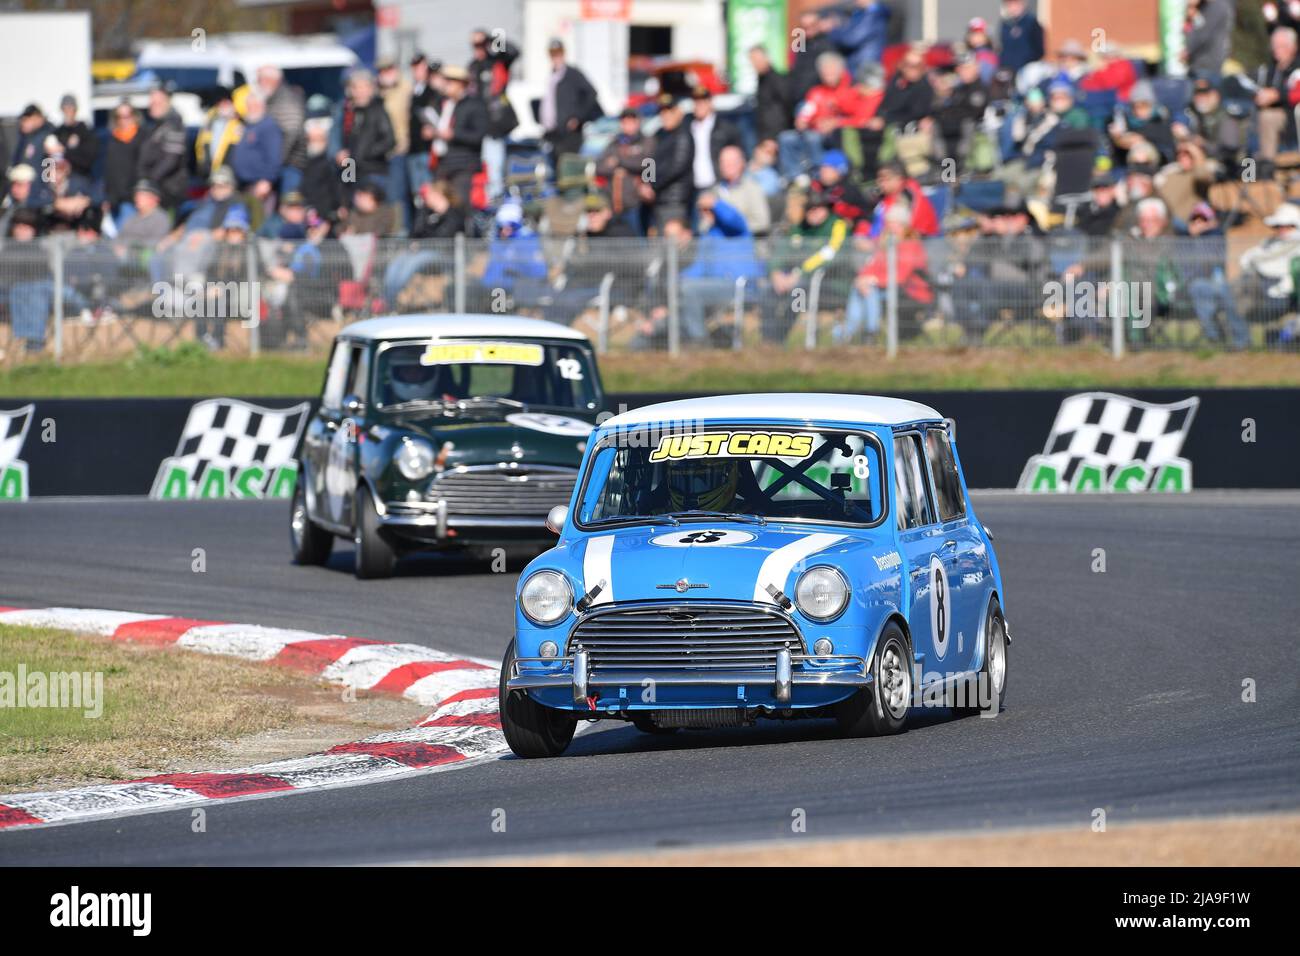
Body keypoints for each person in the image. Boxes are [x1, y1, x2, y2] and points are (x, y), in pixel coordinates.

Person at [837, 202, 932, 343]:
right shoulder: (885, 244)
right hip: (885, 288)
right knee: (860, 288)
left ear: (904, 225)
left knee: (870, 290)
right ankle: (847, 332)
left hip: (909, 291)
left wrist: (872, 280)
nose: (892, 227)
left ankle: (871, 332)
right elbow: (872, 266)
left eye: (896, 223)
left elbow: (901, 276)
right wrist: (862, 279)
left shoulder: (911, 244)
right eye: (890, 223)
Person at [762, 190, 849, 342]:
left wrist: (799, 273)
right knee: (768, 291)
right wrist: (776, 272)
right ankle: (768, 340)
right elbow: (783, 250)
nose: (813, 213)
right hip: (797, 281)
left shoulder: (837, 225)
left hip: (831, 284)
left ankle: (790, 336)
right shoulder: (801, 227)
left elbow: (828, 255)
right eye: (810, 209)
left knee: (798, 294)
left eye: (818, 208)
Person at [382, 180, 466, 306]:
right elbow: (415, 232)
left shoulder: (454, 214)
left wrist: (422, 243)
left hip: (442, 254)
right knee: (397, 262)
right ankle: (387, 297)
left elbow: (441, 238)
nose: (428, 198)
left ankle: (392, 298)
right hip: (421, 250)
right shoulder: (426, 212)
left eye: (431, 194)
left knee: (411, 264)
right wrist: (423, 211)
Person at [1181, 202, 1248, 348]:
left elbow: (1206, 264)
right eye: (1194, 219)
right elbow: (1186, 270)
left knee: (1222, 291)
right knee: (1200, 288)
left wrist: (1198, 237)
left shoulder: (1216, 237)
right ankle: (1216, 336)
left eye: (1203, 219)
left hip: (1214, 285)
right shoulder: (1182, 240)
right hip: (1188, 288)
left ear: (1213, 222)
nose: (1198, 223)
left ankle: (1236, 339)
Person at [331, 68, 395, 205]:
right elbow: (341, 138)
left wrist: (365, 153)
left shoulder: (378, 110)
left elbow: (389, 140)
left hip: (372, 169)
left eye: (364, 87)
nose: (360, 92)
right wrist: (340, 153)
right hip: (350, 168)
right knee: (348, 204)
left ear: (371, 89)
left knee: (372, 208)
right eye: (356, 88)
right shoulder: (347, 111)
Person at [430, 64, 487, 210]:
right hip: (443, 165)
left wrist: (454, 134)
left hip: (463, 166)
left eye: (450, 81)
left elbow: (478, 136)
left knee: (460, 207)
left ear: (461, 83)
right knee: (440, 207)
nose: (446, 85)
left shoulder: (474, 104)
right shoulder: (443, 104)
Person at [539, 38, 602, 164]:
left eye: (559, 53)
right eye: (553, 54)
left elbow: (592, 93)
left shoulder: (572, 74)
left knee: (566, 167)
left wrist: (577, 118)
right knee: (553, 168)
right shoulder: (552, 76)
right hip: (553, 133)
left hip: (569, 134)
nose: (556, 57)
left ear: (564, 53)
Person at [641, 95, 695, 233]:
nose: (665, 115)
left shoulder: (683, 135)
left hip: (675, 200)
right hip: (658, 200)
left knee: (672, 242)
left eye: (669, 111)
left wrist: (653, 185)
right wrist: (646, 182)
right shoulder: (659, 134)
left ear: (678, 112)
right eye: (662, 112)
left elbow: (677, 167)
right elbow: (649, 159)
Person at [596, 107, 653, 234]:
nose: (628, 125)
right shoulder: (614, 143)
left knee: (638, 238)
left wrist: (619, 161)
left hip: (636, 203)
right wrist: (619, 167)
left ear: (638, 122)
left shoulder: (646, 141)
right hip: (614, 204)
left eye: (631, 121)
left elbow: (648, 163)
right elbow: (599, 167)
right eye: (625, 121)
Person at [231, 92, 283, 228]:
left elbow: (274, 155)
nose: (252, 109)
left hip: (260, 185)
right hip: (245, 186)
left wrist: (267, 180)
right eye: (249, 106)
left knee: (260, 225)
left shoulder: (268, 126)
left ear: (263, 106)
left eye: (256, 105)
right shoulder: (248, 125)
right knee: (246, 225)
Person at [1254, 26, 1300, 174]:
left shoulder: (1297, 68)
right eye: (1274, 46)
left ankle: (1267, 166)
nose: (1277, 50)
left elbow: (1297, 94)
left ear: (1293, 47)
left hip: (1290, 116)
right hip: (1263, 112)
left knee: (1268, 117)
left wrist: (1277, 95)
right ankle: (1247, 168)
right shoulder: (1268, 69)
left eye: (1282, 46)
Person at [254, 65, 306, 194]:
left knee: (288, 201)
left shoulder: (286, 99)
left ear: (270, 80)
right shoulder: (272, 98)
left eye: (259, 80)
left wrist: (276, 161)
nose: (257, 84)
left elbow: (292, 131)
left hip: (291, 165)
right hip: (279, 165)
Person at [136, 85, 189, 210]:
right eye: (152, 103)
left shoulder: (174, 124)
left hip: (168, 191)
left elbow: (171, 160)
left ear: (167, 102)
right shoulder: (159, 124)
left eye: (157, 103)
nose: (152, 106)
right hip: (157, 189)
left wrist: (150, 181)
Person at [377, 57, 413, 229]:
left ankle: (401, 232)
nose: (385, 74)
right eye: (382, 71)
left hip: (399, 150)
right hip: (379, 154)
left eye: (389, 69)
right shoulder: (377, 92)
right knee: (384, 196)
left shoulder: (406, 90)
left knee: (398, 196)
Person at [714, 144, 771, 235]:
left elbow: (762, 222)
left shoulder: (752, 188)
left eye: (731, 162)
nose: (726, 165)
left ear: (742, 163)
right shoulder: (715, 190)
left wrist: (734, 227)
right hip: (719, 241)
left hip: (746, 240)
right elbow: (704, 226)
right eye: (723, 161)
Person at [828, 0, 891, 80]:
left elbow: (851, 39)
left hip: (865, 67)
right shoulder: (861, 13)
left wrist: (833, 30)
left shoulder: (874, 14)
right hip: (858, 65)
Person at [300, 118, 345, 225]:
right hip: (311, 213)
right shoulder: (306, 164)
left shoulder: (330, 166)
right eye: (311, 139)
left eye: (319, 139)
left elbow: (337, 191)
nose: (314, 143)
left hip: (326, 216)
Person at [195, 87, 243, 181]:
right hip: (210, 173)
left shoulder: (239, 123)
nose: (223, 105)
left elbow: (237, 151)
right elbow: (201, 145)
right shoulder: (210, 122)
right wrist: (202, 165)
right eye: (220, 103)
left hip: (229, 174)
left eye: (226, 102)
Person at [749, 45, 793, 144]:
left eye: (758, 59)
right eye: (753, 60)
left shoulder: (777, 80)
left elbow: (783, 111)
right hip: (765, 136)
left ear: (767, 58)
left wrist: (772, 138)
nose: (755, 64)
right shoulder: (761, 80)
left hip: (776, 136)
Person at [1184, 0, 1235, 80]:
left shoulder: (1217, 6)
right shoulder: (1211, 5)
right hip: (1204, 64)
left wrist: (1186, 50)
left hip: (1205, 65)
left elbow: (1203, 33)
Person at [54, 95, 98, 181]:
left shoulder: (85, 132)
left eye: (70, 109)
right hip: (61, 181)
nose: (68, 112)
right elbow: (49, 161)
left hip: (80, 179)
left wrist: (65, 150)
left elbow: (87, 160)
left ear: (75, 110)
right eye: (65, 109)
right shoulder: (57, 133)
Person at [114, 180, 170, 245]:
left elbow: (156, 243)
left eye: (142, 195)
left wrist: (131, 245)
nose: (137, 198)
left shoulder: (161, 218)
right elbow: (118, 238)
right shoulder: (132, 217)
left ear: (154, 199)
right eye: (136, 195)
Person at [999, 0, 1045, 76]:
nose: (1013, 7)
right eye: (1010, 5)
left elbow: (1039, 49)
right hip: (1008, 70)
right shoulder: (1005, 24)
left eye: (1016, 4)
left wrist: (1028, 62)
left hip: (1026, 70)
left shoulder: (1031, 22)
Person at [11, 104, 53, 169]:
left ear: (37, 118)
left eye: (26, 120)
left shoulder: (49, 135)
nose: (22, 123)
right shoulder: (25, 136)